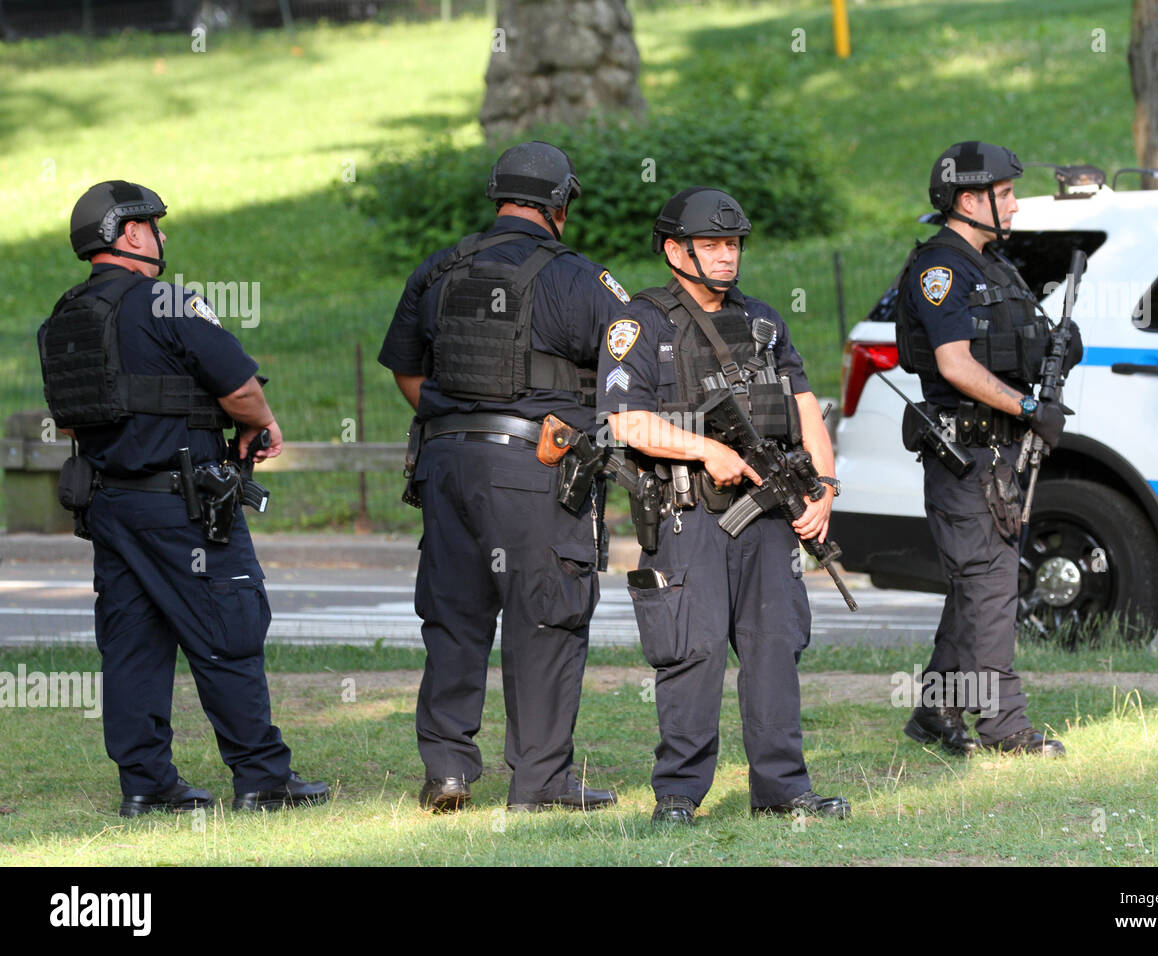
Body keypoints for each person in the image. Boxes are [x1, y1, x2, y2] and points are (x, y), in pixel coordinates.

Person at [37, 180, 329, 816]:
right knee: (229, 626)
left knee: (132, 642)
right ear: (129, 233)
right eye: (154, 226)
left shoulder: (65, 318)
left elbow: (69, 419)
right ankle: (262, 778)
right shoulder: (166, 301)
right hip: (184, 507)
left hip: (110, 507)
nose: (163, 236)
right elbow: (241, 391)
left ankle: (145, 785)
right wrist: (260, 424)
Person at [378, 141, 626, 812]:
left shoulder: (438, 270)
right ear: (560, 205)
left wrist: (461, 420)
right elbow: (627, 377)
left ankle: (449, 770)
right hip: (534, 469)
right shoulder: (580, 280)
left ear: (499, 199)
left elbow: (406, 371)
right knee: (545, 615)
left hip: (446, 464)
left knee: (454, 615)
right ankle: (539, 782)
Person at [599, 186, 850, 825]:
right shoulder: (641, 322)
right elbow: (624, 421)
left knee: (774, 646)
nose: (725, 256)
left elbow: (805, 407)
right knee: (694, 649)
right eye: (711, 244)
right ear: (674, 250)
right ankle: (679, 795)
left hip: (767, 515)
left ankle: (784, 790)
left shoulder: (764, 322)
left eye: (732, 244)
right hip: (688, 516)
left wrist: (822, 489)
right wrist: (704, 450)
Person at [894, 142, 1082, 757]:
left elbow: (1008, 348)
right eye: (1003, 194)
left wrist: (1056, 347)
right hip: (967, 455)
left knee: (977, 585)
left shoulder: (993, 265)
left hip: (997, 455)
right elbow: (954, 364)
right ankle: (1004, 727)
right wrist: (1030, 408)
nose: (1014, 204)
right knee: (988, 587)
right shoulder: (941, 269)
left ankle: (936, 709)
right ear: (968, 200)